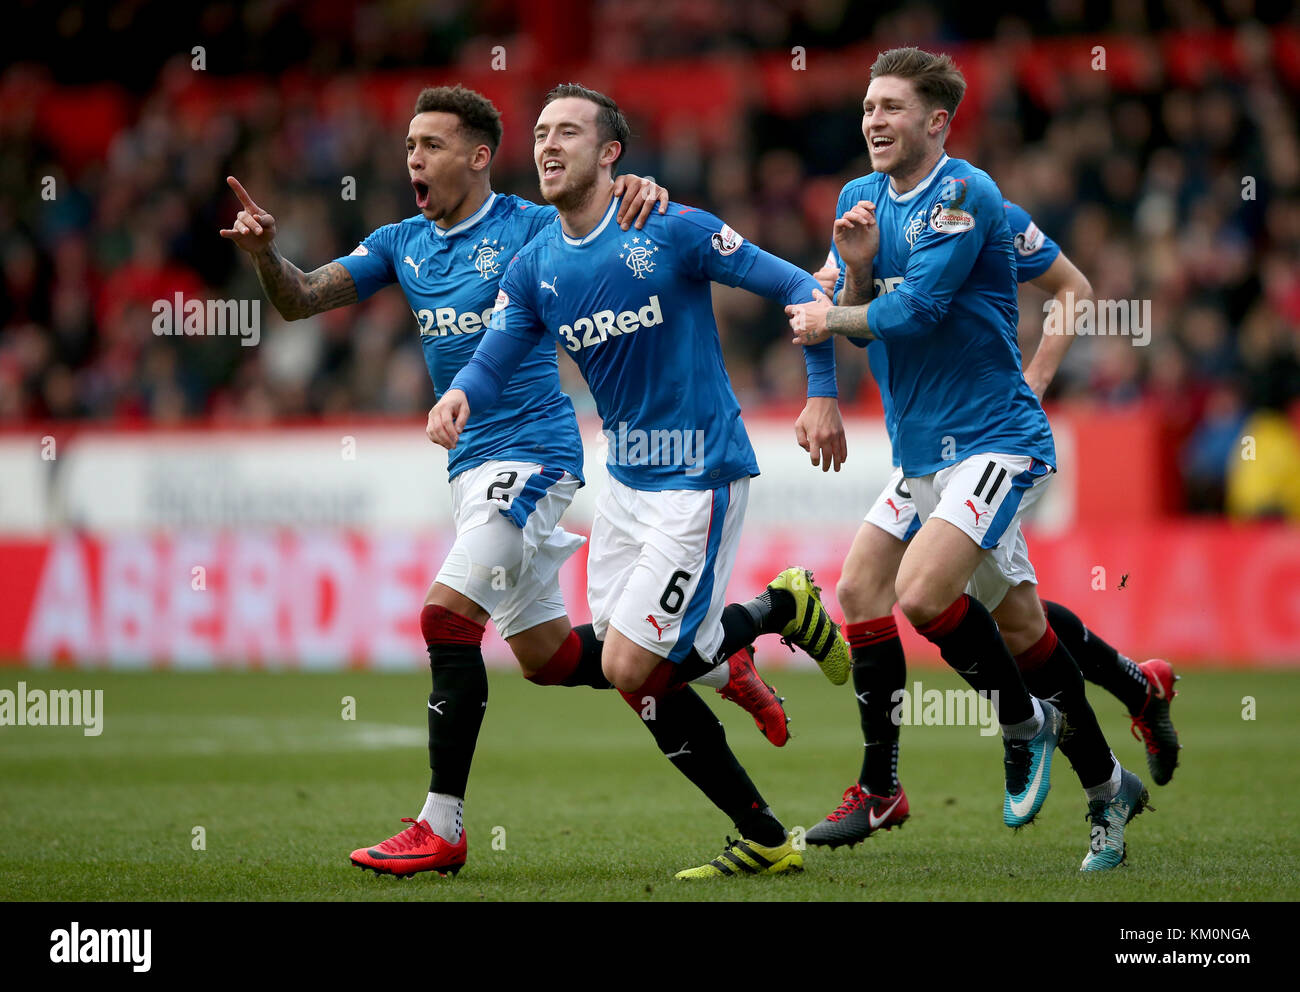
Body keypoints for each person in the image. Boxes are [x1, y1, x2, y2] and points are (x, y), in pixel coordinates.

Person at [221, 85, 800, 880]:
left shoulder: (531, 226)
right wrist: (262, 255)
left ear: (479, 156)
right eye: (408, 146)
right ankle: (720, 652)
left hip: (532, 459)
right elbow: (299, 300)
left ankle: (441, 825)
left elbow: (602, 213)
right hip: (469, 464)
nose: (413, 159)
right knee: (550, 658)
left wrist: (645, 186)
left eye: (430, 145)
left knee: (445, 621)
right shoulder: (401, 243)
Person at [429, 83, 850, 879]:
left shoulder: (673, 228)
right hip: (623, 486)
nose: (548, 145)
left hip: (700, 476)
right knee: (637, 677)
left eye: (569, 132)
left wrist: (822, 392)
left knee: (629, 666)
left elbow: (802, 289)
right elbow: (495, 355)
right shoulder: (534, 264)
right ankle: (762, 830)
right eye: (542, 132)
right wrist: (459, 396)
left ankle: (771, 611)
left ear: (611, 153)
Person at [787, 47, 1149, 871]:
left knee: (918, 591)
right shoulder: (857, 198)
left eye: (892, 107)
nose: (874, 120)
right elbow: (821, 301)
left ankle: (1022, 728)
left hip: (995, 442)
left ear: (937, 121)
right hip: (920, 455)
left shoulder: (965, 194)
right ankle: (1106, 788)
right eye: (868, 106)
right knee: (894, 596)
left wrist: (1037, 379)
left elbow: (915, 313)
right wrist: (823, 389)